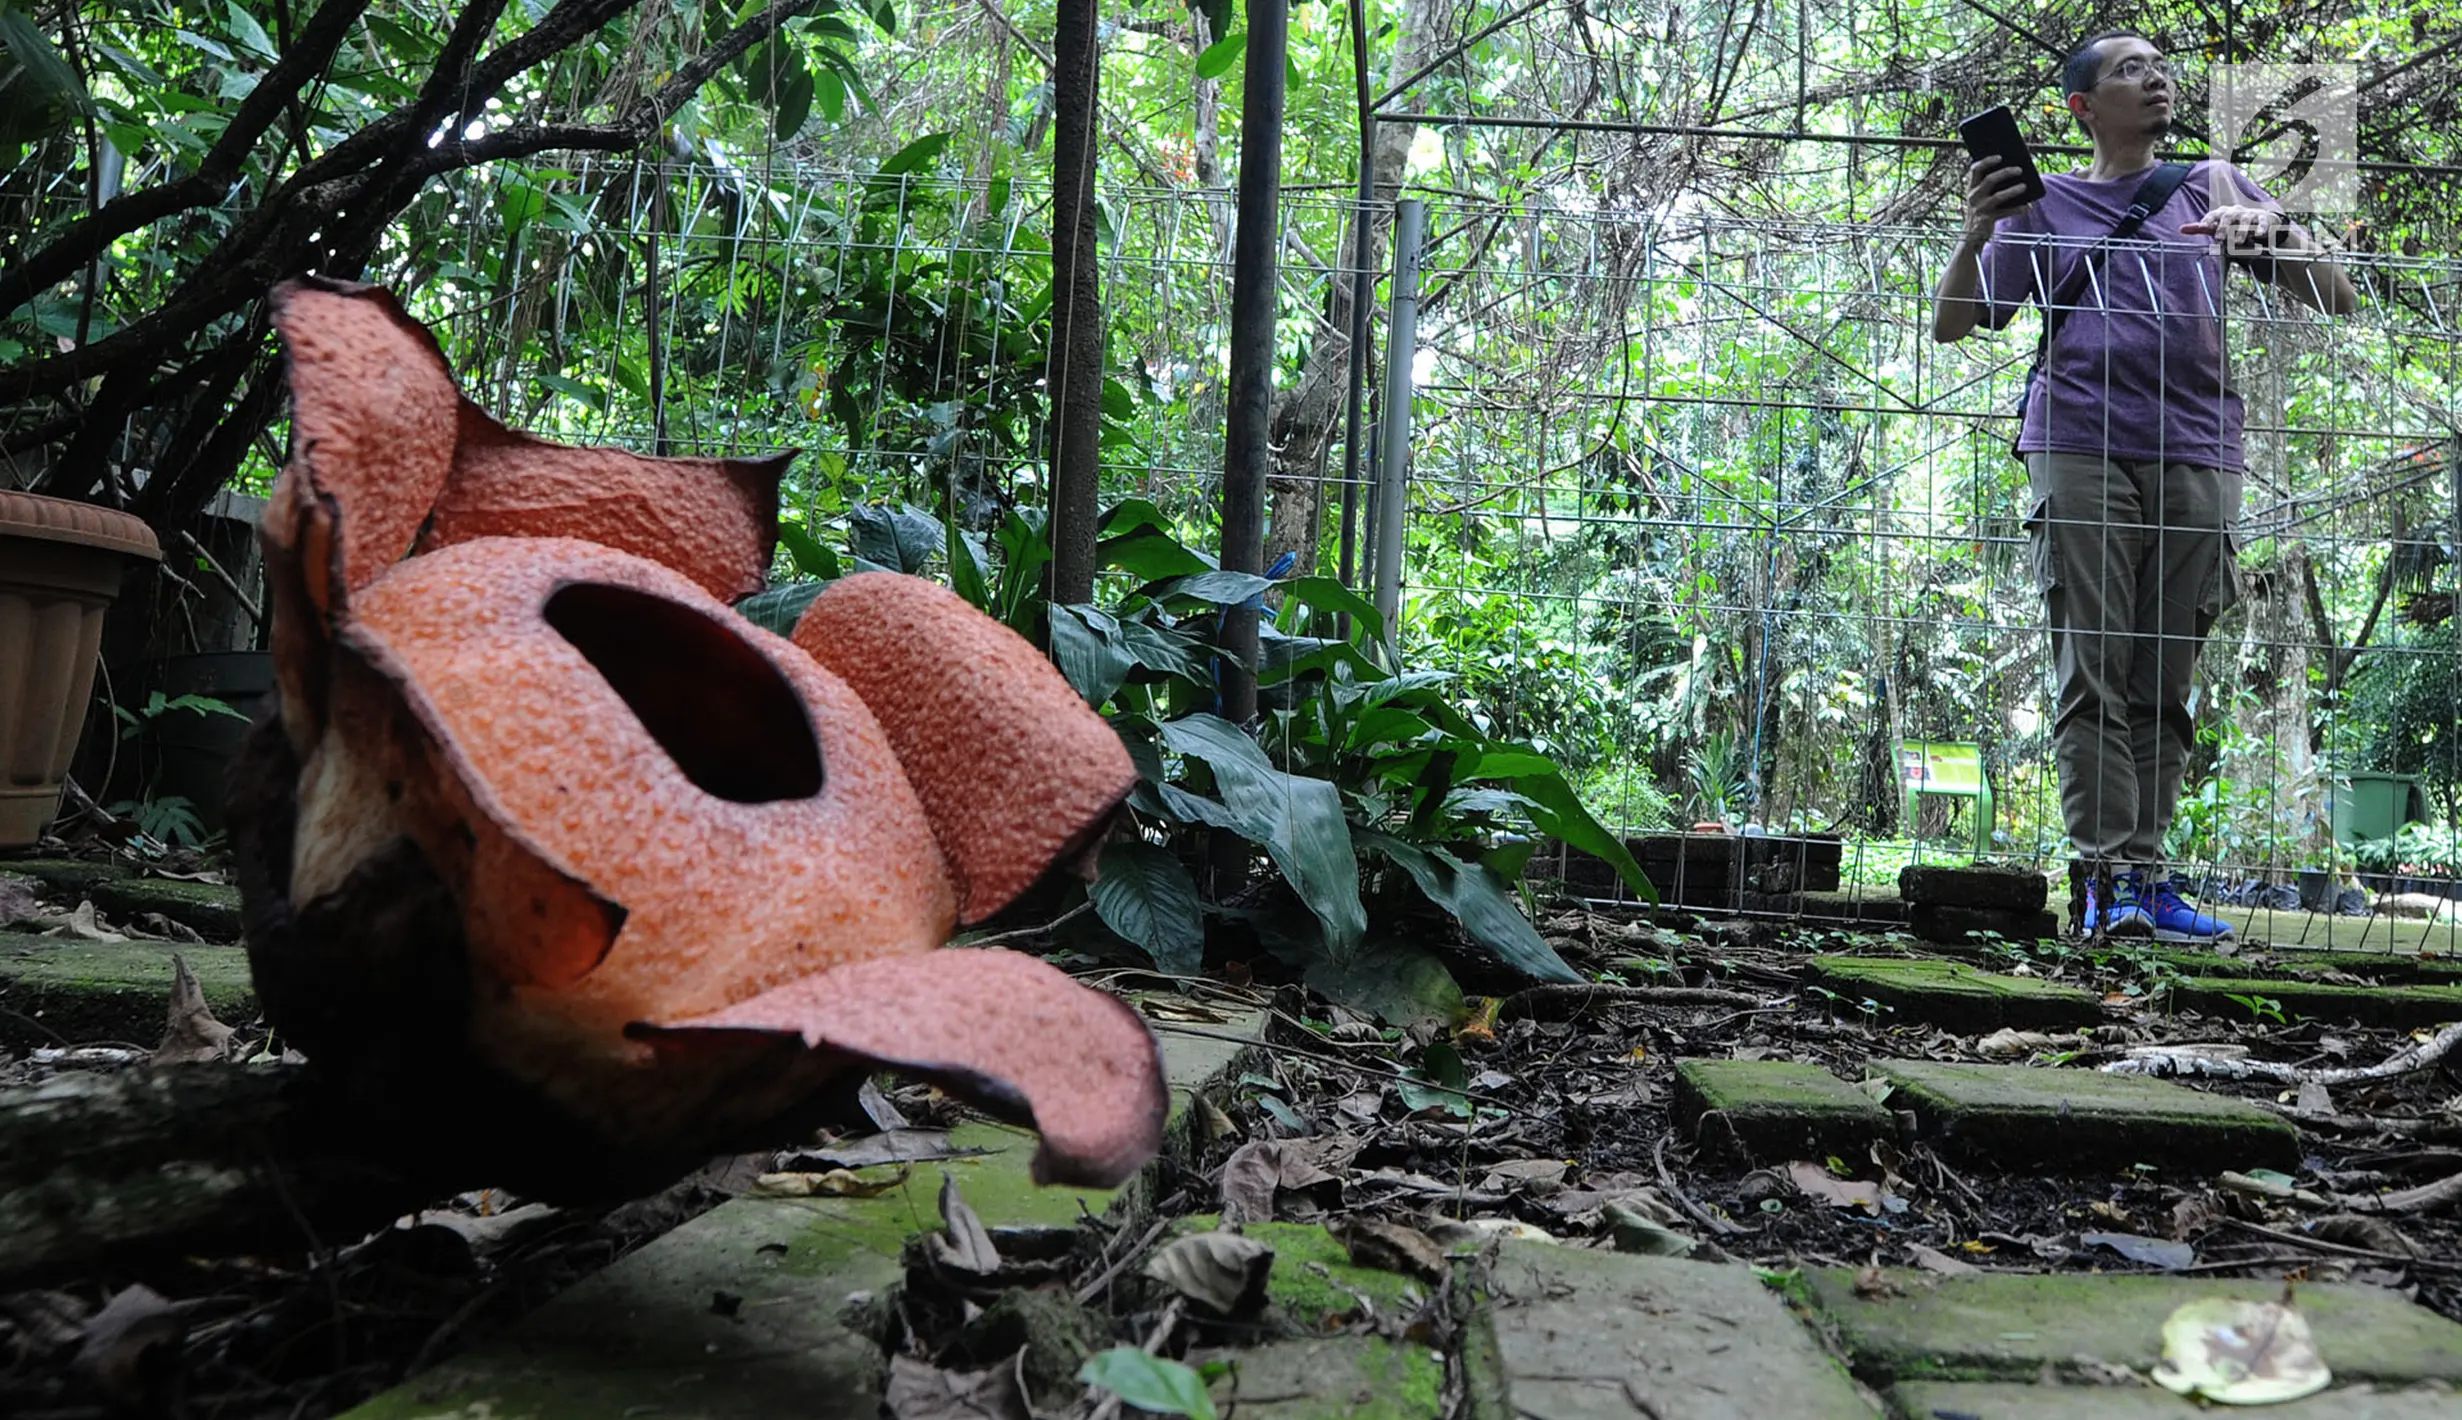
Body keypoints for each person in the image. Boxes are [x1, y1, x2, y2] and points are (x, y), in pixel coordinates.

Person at [1930, 31, 2358, 939]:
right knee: (2092, 667)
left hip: (2199, 448)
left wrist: (2273, 233)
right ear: (2083, 106)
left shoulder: (2211, 182)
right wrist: (1976, 235)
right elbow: (1958, 322)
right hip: (2077, 443)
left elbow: (2338, 294)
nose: (2156, 78)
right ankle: (2104, 881)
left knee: (2166, 674)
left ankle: (2149, 881)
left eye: (2160, 67)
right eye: (2130, 69)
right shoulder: (2043, 204)